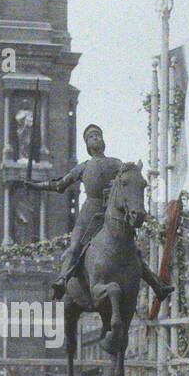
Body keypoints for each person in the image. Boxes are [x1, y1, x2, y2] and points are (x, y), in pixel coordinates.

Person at [24, 123, 174, 302]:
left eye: (98, 136)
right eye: (91, 137)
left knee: (133, 250)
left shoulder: (117, 163)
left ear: (103, 141)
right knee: (74, 248)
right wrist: (35, 185)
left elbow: (129, 178)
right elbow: (59, 185)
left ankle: (157, 286)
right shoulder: (83, 167)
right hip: (89, 215)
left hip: (113, 215)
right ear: (87, 145)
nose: (96, 139)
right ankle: (62, 280)